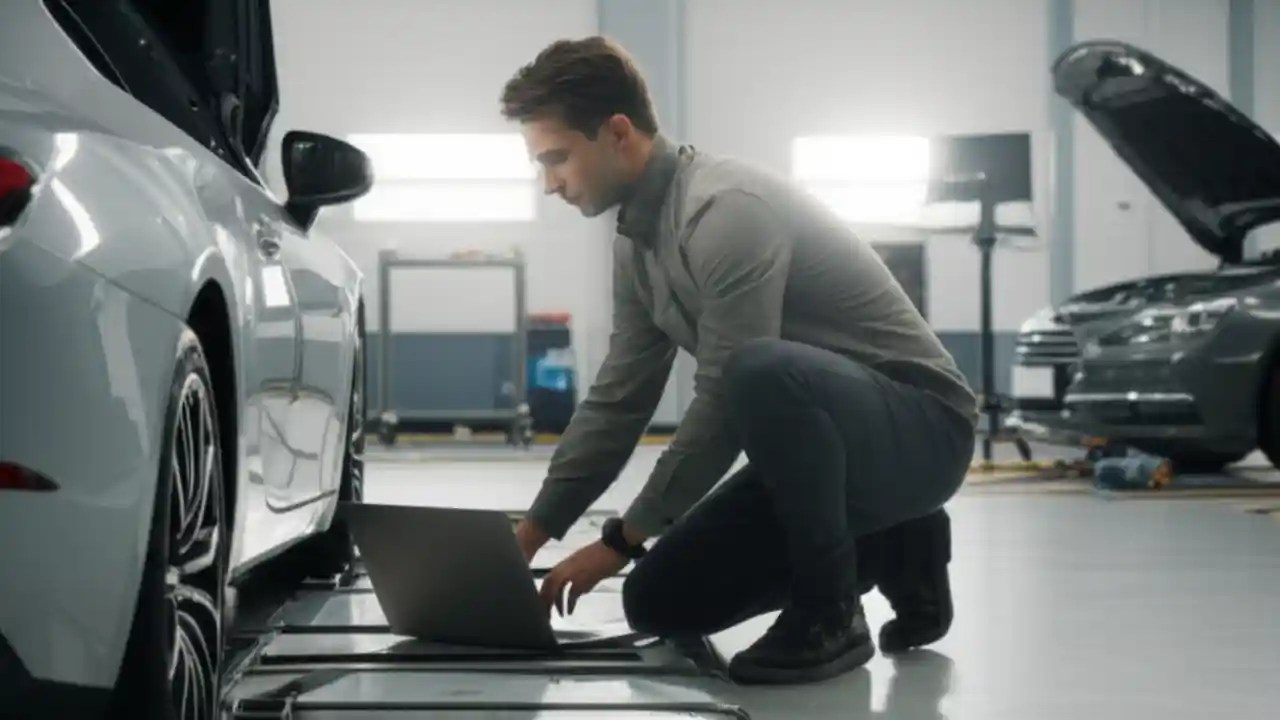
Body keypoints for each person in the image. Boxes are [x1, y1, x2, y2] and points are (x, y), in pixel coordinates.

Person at [498, 36, 976, 685]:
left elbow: (726, 397)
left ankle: (830, 613)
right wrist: (529, 535)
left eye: (556, 159)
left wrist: (618, 541)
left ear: (616, 132)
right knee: (658, 601)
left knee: (757, 372)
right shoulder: (636, 242)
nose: (548, 183)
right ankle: (897, 539)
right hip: (834, 445)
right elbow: (620, 396)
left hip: (923, 431)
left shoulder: (724, 210)